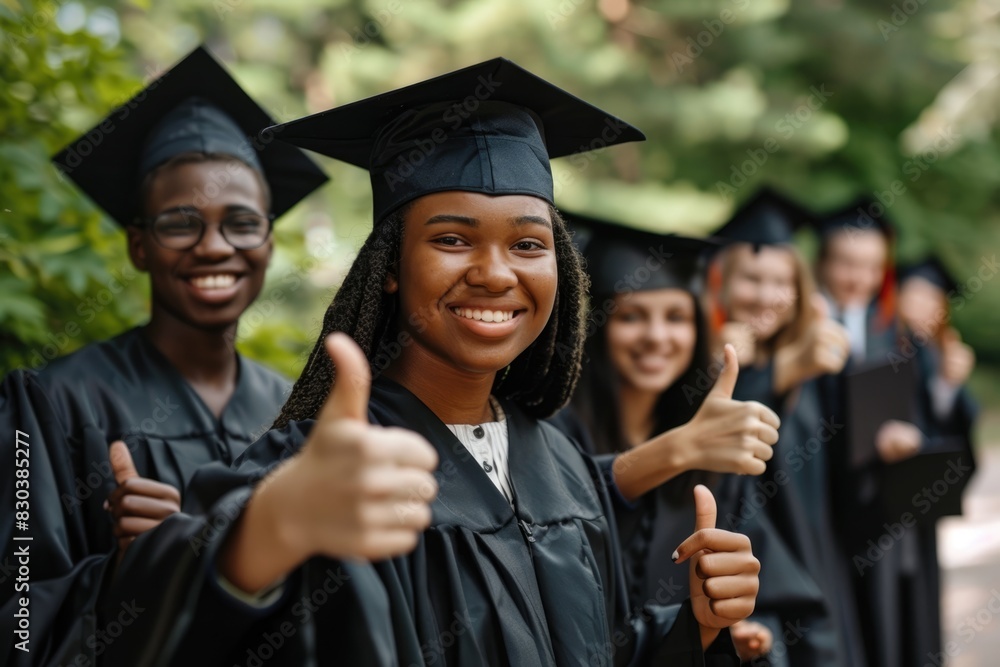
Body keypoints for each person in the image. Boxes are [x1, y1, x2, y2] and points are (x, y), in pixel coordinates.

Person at [102, 58, 760, 666]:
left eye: (528, 243)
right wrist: (265, 533)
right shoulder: (313, 470)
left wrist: (697, 627)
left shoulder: (561, 465)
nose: (495, 272)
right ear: (390, 265)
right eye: (452, 238)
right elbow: (158, 628)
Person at [0, 46, 327, 665]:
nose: (214, 247)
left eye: (241, 222)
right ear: (139, 247)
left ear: (268, 241)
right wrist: (130, 570)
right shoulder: (50, 403)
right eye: (180, 223)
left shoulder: (298, 410)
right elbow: (17, 615)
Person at [547, 212, 779, 663]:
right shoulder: (552, 431)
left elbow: (777, 589)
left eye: (676, 317)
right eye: (631, 315)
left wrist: (753, 629)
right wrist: (681, 446)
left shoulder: (714, 454)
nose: (656, 337)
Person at [710, 187, 867, 666]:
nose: (768, 296)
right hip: (759, 578)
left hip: (816, 557)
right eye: (752, 279)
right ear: (719, 283)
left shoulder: (813, 363)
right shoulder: (702, 364)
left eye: (783, 282)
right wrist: (777, 372)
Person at [812, 201, 958, 667]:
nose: (860, 278)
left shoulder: (897, 334)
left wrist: (913, 438)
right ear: (822, 263)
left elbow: (930, 418)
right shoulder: (803, 329)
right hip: (825, 512)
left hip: (886, 512)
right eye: (848, 263)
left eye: (873, 266)